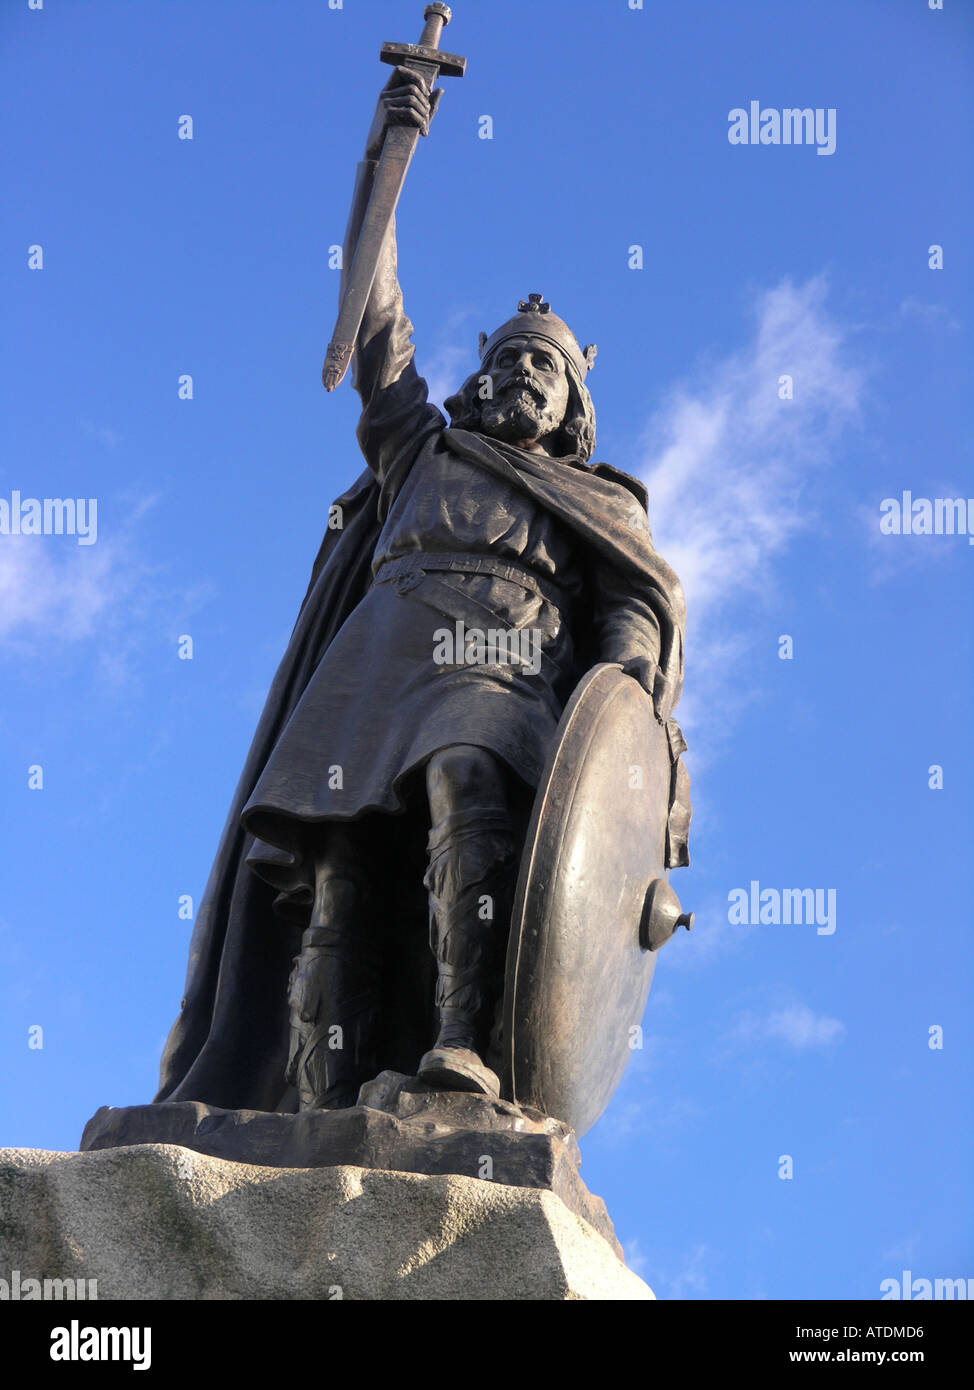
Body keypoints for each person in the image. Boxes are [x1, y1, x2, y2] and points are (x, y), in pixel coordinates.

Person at [155, 67, 688, 1116]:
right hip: (375, 659)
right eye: (510, 359)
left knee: (464, 782)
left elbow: (631, 606)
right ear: (479, 378)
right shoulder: (419, 448)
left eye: (547, 367)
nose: (526, 374)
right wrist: (384, 156)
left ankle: (458, 1043)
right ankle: (319, 1103)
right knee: (337, 868)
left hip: (501, 658)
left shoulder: (597, 501)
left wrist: (626, 689)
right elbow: (376, 313)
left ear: (572, 403)